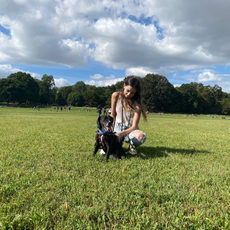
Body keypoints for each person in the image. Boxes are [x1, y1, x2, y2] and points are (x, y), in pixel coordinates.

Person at [102, 76, 147, 155]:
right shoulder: (115, 96)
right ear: (124, 86)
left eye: (132, 92)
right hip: (117, 127)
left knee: (140, 136)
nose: (129, 94)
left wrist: (120, 134)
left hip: (130, 130)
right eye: (128, 90)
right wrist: (111, 130)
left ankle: (132, 145)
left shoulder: (137, 104)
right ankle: (116, 144)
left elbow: (134, 126)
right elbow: (113, 115)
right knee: (107, 149)